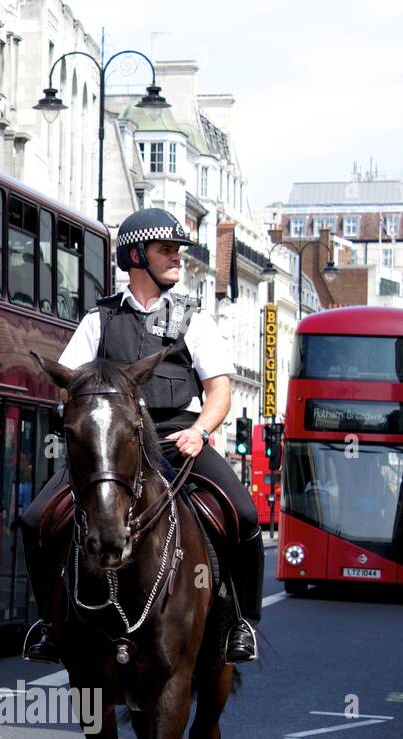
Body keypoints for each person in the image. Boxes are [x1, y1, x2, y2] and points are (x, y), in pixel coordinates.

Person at [19, 207, 263, 664]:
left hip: (176, 437)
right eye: (165, 250)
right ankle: (50, 624)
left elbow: (220, 391)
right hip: (112, 445)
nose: (176, 259)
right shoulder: (101, 319)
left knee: (245, 514)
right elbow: (70, 382)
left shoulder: (195, 319)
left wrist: (200, 430)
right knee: (35, 520)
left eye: (177, 250)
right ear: (136, 256)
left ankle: (242, 621)